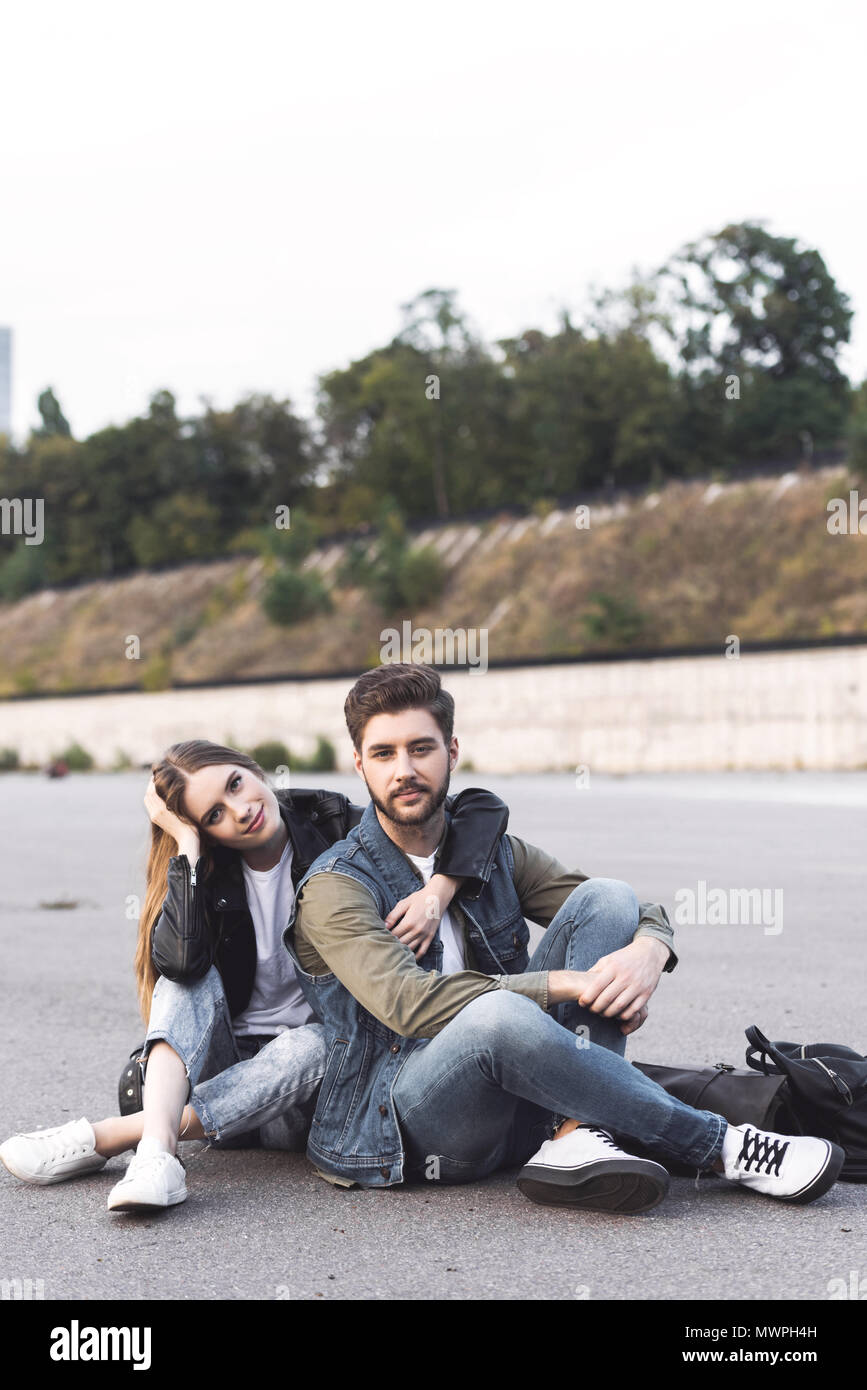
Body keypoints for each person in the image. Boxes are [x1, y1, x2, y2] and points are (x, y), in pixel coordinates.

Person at [285, 663, 844, 1211]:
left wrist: (651, 951)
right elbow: (409, 1006)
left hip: (523, 1098)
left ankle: (573, 1134)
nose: (404, 769)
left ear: (451, 751)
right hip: (413, 1123)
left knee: (609, 896)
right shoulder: (336, 886)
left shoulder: (494, 853)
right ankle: (724, 1146)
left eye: (421, 748)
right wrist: (569, 984)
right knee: (497, 1014)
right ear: (359, 765)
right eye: (384, 754)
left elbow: (634, 911)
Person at [0, 739, 508, 1212]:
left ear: (254, 771)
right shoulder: (210, 870)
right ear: (205, 830)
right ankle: (157, 1158)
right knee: (183, 978)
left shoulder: (340, 827)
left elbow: (482, 810)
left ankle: (117, 1135)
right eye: (214, 814)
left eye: (236, 784)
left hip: (317, 1083)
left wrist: (437, 892)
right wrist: (186, 849)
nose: (240, 810)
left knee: (312, 1042)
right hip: (227, 1072)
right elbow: (177, 964)